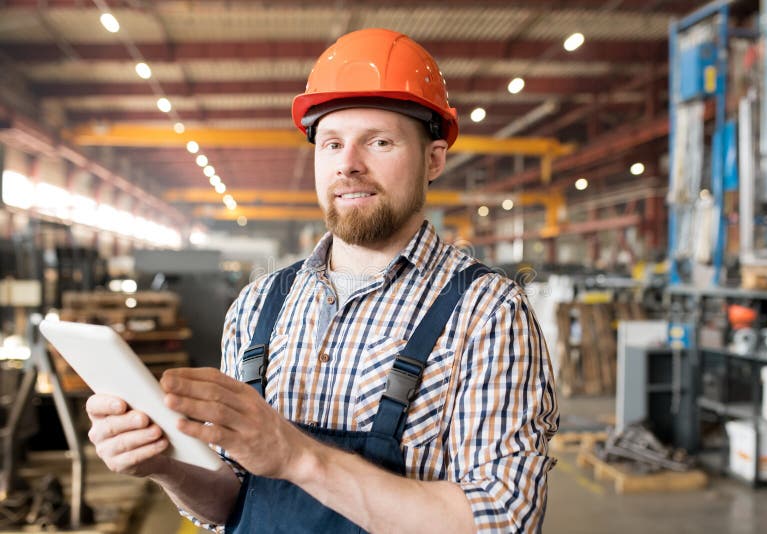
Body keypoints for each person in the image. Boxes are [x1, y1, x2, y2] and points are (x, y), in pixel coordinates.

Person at [86, 28, 559, 533]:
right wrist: (166, 466)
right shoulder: (257, 306)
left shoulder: (488, 313)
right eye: (332, 144)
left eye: (378, 142)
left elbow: (503, 522)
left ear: (434, 160)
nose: (348, 165)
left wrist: (299, 458)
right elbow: (233, 505)